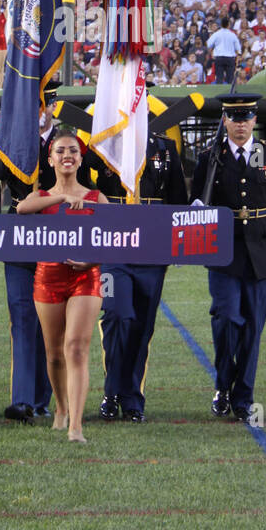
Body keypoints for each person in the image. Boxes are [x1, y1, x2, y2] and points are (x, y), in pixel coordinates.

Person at [190, 95, 266, 422]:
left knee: (252, 329)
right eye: (233, 118)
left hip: (262, 252)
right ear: (225, 120)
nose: (239, 124)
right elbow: (195, 200)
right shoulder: (210, 156)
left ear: (254, 120)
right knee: (225, 320)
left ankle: (242, 397)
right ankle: (223, 384)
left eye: (245, 117)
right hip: (223, 252)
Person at [85, 127, 187, 422]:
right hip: (112, 249)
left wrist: (179, 244)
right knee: (117, 315)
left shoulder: (165, 149)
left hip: (152, 251)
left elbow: (178, 199)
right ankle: (111, 391)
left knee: (142, 325)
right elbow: (85, 174)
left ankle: (132, 399)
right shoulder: (105, 141)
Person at [16, 132, 109, 443]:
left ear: (81, 159)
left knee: (76, 348)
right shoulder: (41, 197)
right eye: (61, 150)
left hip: (86, 276)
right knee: (55, 353)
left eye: (73, 150)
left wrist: (92, 260)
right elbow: (21, 210)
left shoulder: (97, 197)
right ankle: (61, 408)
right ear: (51, 159)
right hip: (48, 277)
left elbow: (114, 239)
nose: (67, 155)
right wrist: (62, 198)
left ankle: (76, 427)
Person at [0, 89, 61, 423]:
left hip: (56, 240)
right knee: (21, 318)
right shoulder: (13, 141)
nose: (38, 111)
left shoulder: (66, 143)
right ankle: (21, 400)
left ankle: (42, 397)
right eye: (32, 104)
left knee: (49, 322)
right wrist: (13, 138)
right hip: (19, 240)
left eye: (43, 104)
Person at [207, 16, 242, 84]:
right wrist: (238, 57)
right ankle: (230, 94)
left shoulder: (216, 34)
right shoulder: (232, 35)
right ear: (229, 24)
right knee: (230, 78)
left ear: (221, 24)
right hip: (230, 58)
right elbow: (238, 48)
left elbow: (209, 44)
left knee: (219, 77)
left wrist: (214, 47)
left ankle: (221, 93)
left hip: (219, 58)